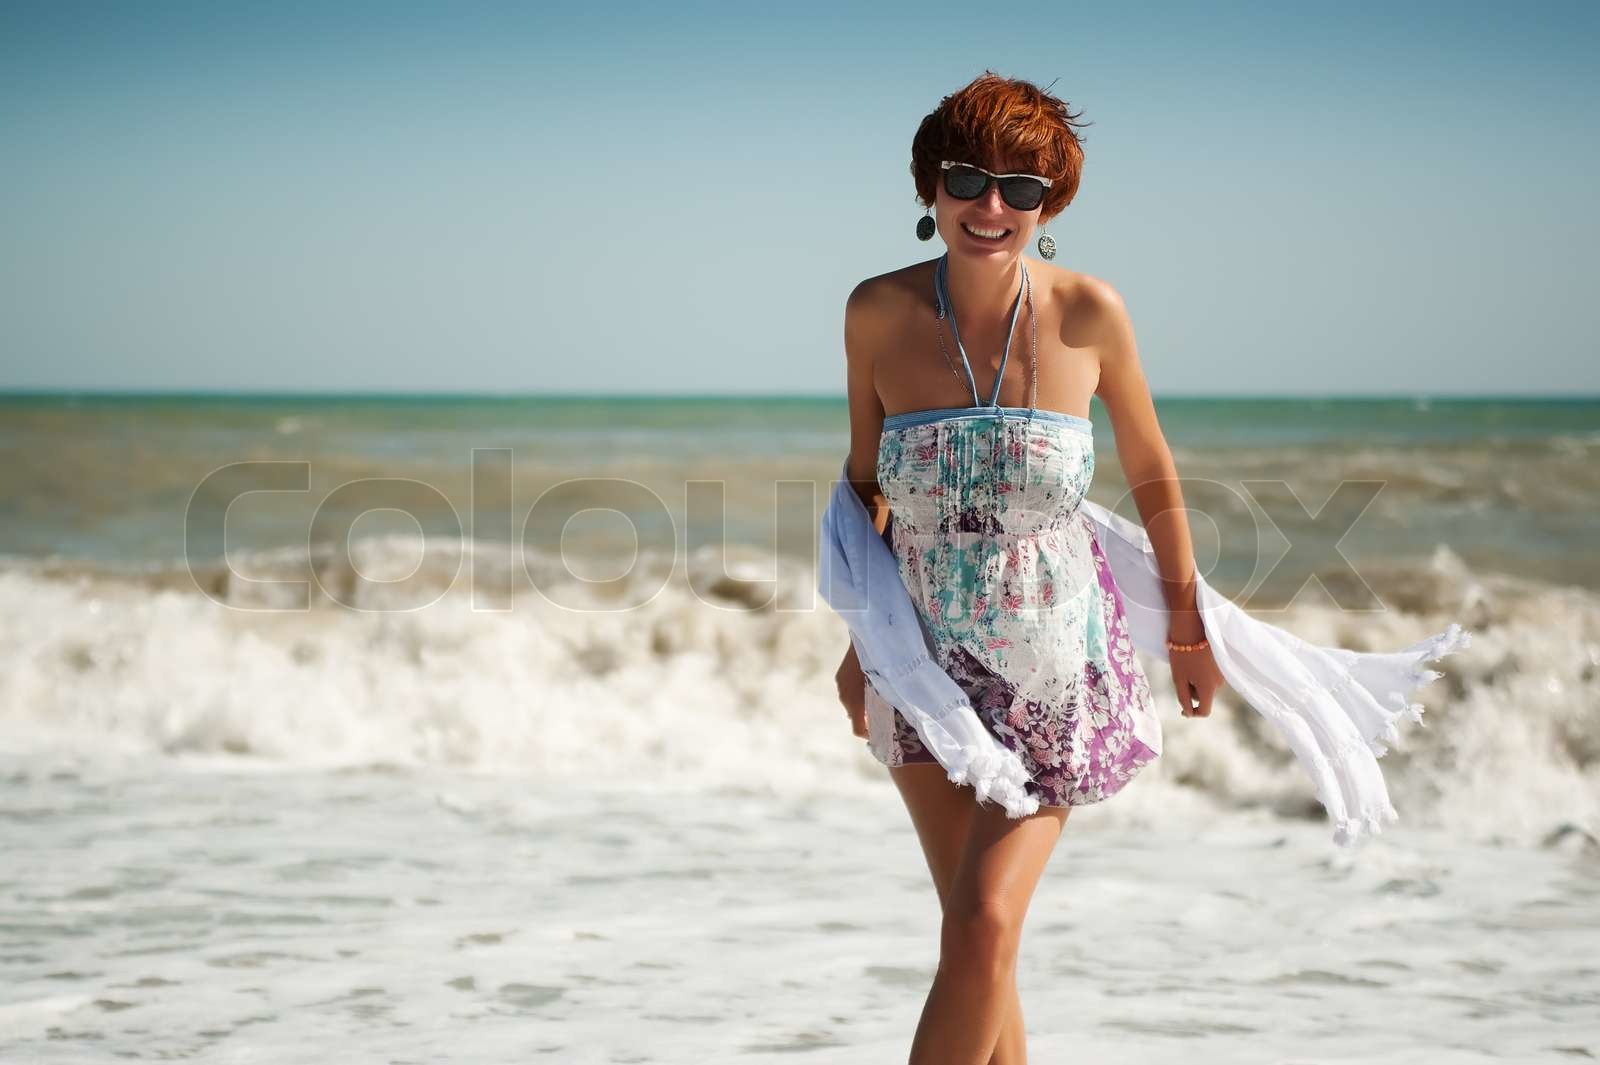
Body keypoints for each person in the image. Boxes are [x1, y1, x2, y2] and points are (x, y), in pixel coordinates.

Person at [832, 70, 1225, 1064]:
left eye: (1022, 188)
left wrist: (1186, 623)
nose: (992, 206)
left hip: (1054, 673)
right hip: (920, 672)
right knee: (978, 947)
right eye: (968, 179)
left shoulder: (1088, 312)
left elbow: (1150, 468)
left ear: (1051, 204)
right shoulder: (876, 312)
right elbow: (865, 486)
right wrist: (859, 643)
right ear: (931, 186)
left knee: (982, 929)